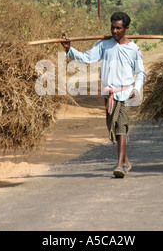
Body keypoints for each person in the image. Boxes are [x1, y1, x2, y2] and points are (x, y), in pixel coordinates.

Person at [61, 12, 146, 178]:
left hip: (125, 93)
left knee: (121, 127)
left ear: (126, 29)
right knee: (113, 128)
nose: (115, 31)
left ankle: (119, 165)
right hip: (109, 94)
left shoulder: (133, 49)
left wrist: (136, 89)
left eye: (118, 28)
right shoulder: (103, 45)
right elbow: (86, 58)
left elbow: (141, 72)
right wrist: (69, 49)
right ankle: (126, 161)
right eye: (113, 28)